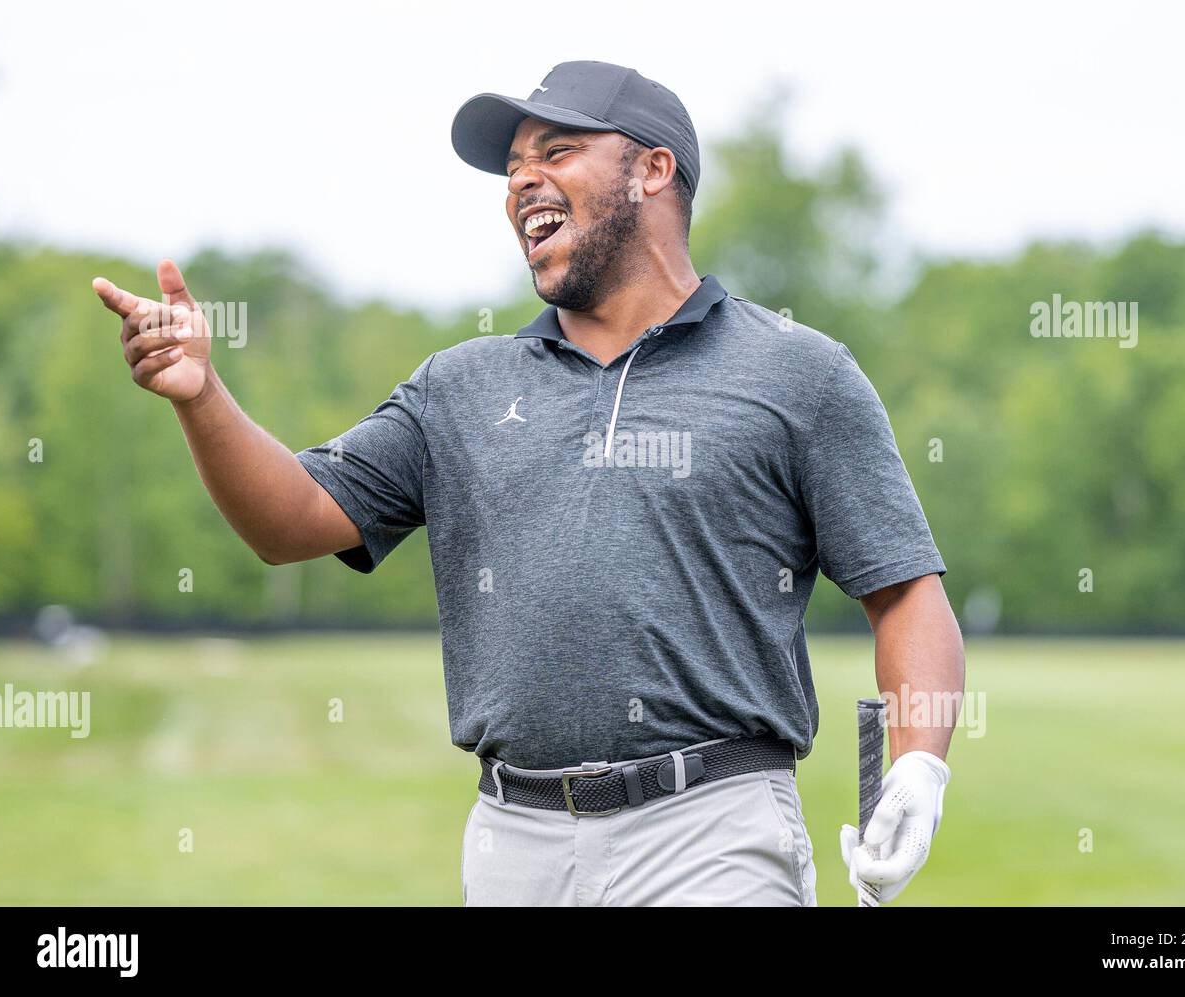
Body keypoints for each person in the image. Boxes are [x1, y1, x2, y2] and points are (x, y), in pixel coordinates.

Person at [92, 60, 964, 907]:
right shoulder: (457, 387)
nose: (522, 183)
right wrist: (203, 395)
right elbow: (290, 522)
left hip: (713, 829)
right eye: (512, 169)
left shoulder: (796, 372)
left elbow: (905, 593)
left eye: (555, 153)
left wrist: (918, 765)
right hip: (514, 838)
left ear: (652, 170)